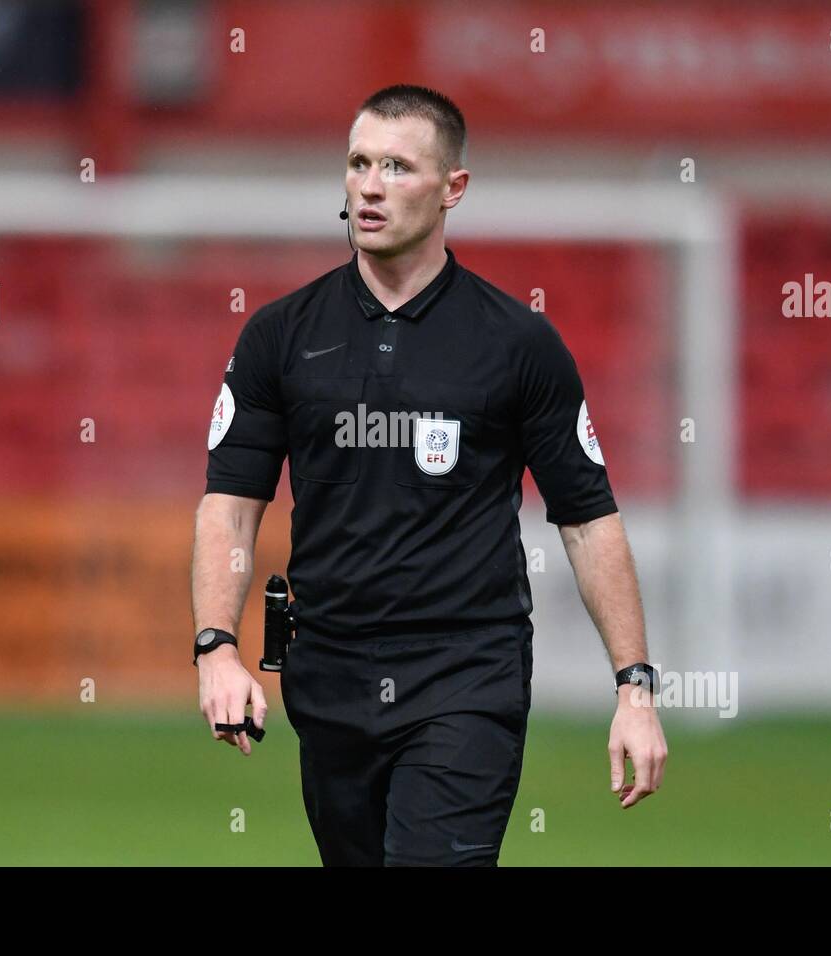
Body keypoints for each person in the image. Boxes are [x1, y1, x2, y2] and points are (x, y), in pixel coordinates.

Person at [191, 84, 666, 866]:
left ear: (454, 189)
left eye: (398, 167)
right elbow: (231, 506)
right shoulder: (280, 336)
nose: (370, 185)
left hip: (466, 675)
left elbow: (586, 519)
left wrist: (635, 690)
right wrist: (216, 646)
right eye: (358, 163)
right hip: (329, 673)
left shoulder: (518, 344)